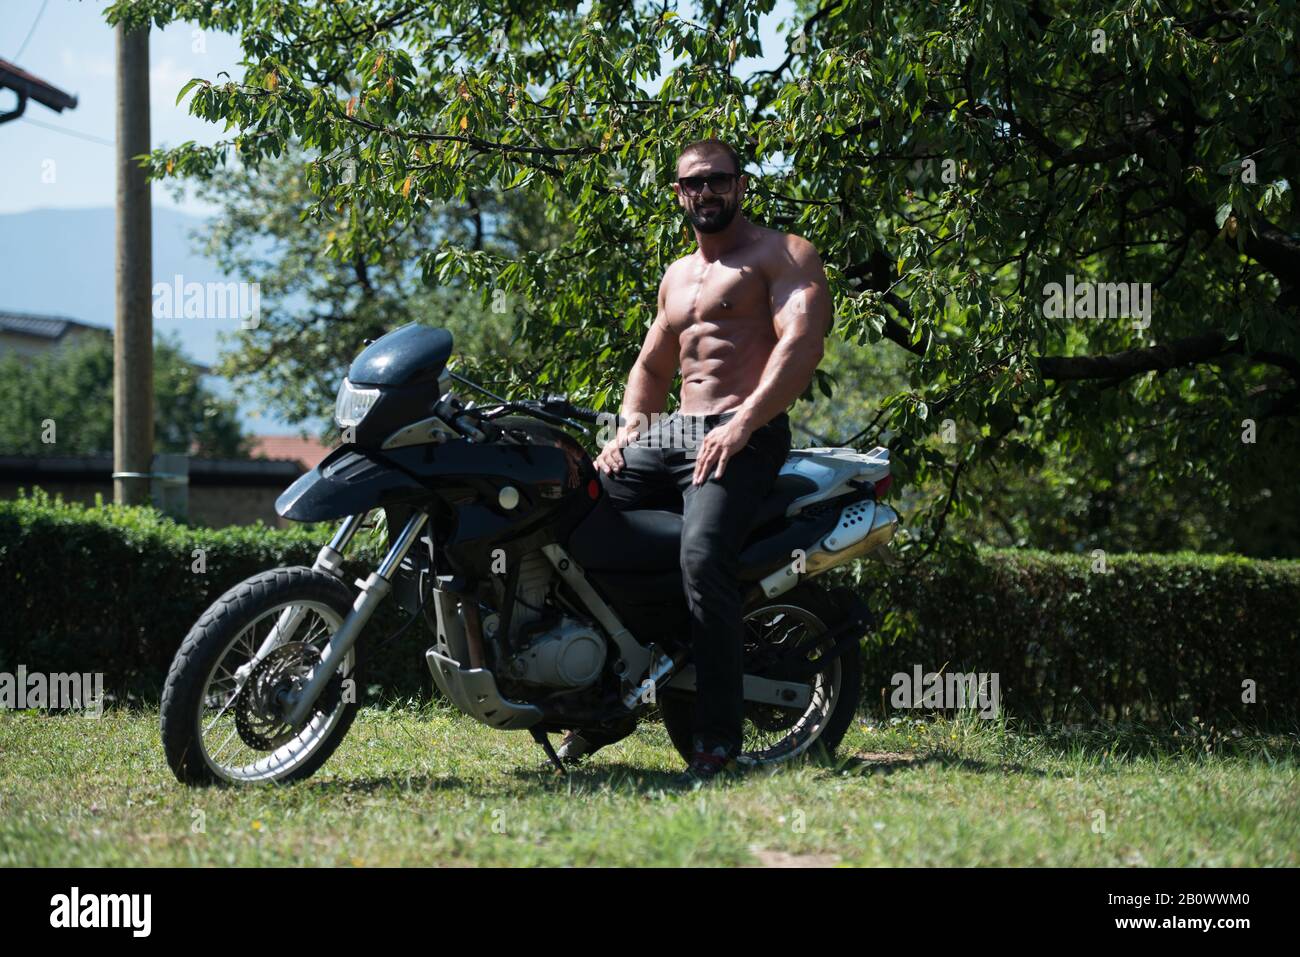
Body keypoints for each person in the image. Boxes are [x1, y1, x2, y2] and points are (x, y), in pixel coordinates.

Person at [558, 138, 832, 780]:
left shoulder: (782, 254)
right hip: (672, 434)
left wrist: (743, 422)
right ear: (679, 194)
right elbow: (651, 366)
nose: (705, 192)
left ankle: (715, 739)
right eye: (692, 184)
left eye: (717, 180)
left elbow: (803, 344)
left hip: (746, 433)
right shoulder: (678, 276)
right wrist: (627, 433)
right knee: (571, 515)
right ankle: (603, 698)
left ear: (741, 185)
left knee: (704, 558)